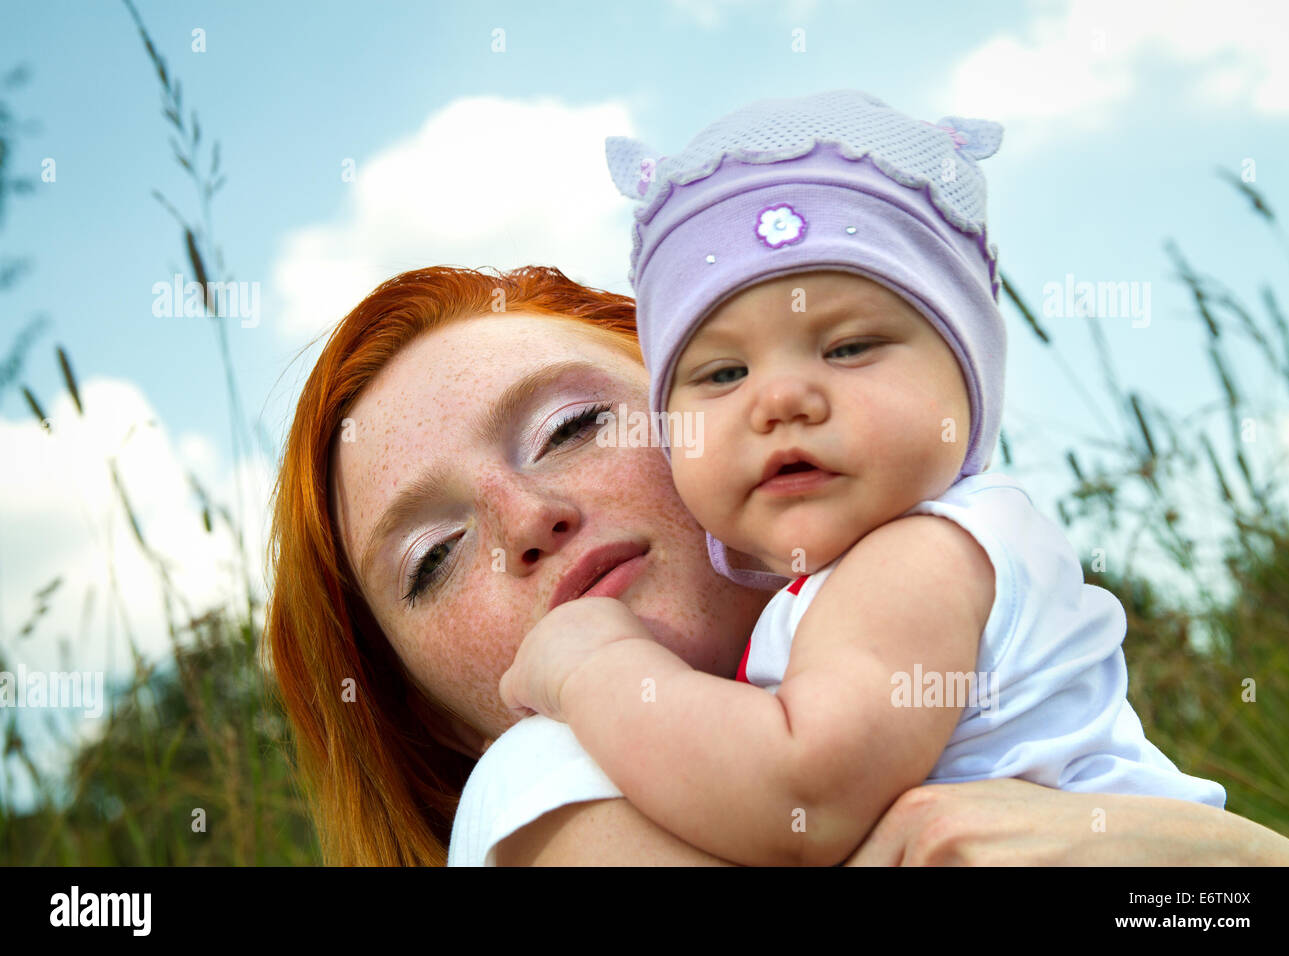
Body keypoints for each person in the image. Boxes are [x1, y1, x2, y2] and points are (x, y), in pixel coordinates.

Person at [264, 263, 1289, 867]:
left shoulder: (950, 570)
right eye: (434, 557)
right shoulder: (539, 791)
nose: (524, 516)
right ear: (433, 713)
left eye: (574, 424)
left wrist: (1210, 857)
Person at [498, 91, 1226, 867]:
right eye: (722, 372)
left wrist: (595, 665)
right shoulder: (855, 581)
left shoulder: (926, 556)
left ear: (968, 379)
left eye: (846, 348)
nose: (779, 400)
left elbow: (802, 796)